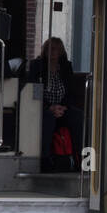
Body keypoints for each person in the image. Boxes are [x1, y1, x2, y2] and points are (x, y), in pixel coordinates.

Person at [25, 36, 83, 171]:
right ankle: (45, 161)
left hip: (62, 107)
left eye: (57, 49)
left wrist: (63, 107)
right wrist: (49, 107)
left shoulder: (66, 66)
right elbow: (33, 90)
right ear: (45, 50)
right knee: (48, 119)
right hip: (42, 108)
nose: (53, 52)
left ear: (62, 51)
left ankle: (78, 158)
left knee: (78, 117)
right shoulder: (37, 65)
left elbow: (70, 91)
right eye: (50, 49)